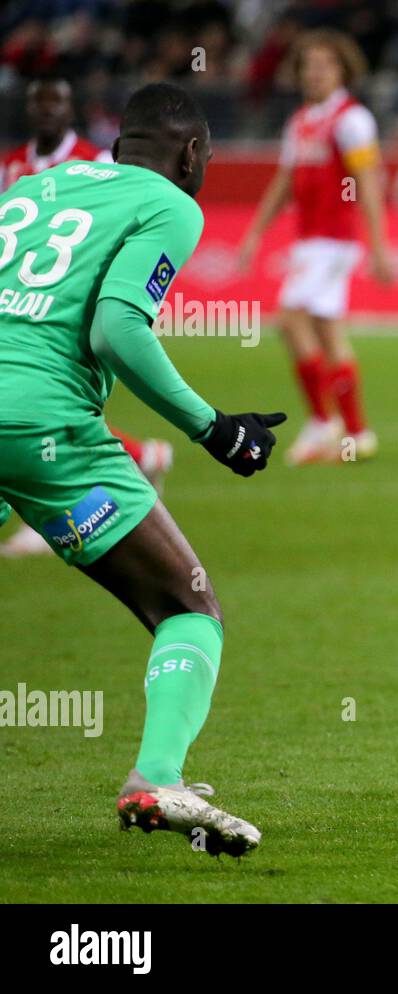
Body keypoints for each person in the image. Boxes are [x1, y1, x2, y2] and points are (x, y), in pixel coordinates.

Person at [0, 82, 285, 855]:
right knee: (188, 606)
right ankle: (155, 776)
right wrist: (214, 430)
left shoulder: (33, 186)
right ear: (191, 153)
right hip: (37, 420)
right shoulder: (169, 203)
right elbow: (117, 329)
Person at [1, 77, 172, 558]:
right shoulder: (14, 163)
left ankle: (49, 514)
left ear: (71, 107)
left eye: (57, 99)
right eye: (39, 100)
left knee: (49, 411)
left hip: (76, 304)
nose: (47, 109)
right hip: (24, 304)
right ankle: (145, 458)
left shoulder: (95, 161)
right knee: (45, 411)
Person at [238, 28, 392, 465]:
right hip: (310, 242)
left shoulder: (352, 119)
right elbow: (285, 181)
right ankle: (357, 434)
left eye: (324, 65)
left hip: (334, 240)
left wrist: (379, 246)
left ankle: (323, 422)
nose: (315, 73)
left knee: (289, 320)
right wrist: (254, 233)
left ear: (342, 70)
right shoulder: (302, 121)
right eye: (308, 66)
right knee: (327, 333)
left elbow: (368, 181)